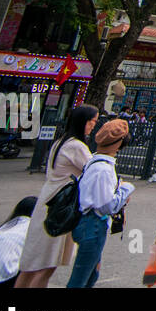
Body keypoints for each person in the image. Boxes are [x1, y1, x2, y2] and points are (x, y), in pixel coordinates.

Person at [16, 104, 98, 288]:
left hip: (49, 198)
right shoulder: (77, 146)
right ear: (82, 122)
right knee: (46, 265)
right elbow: (94, 170)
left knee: (32, 263)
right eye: (92, 121)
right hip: (61, 204)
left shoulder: (61, 142)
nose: (93, 125)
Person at [68, 119, 135, 288]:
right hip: (93, 224)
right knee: (80, 279)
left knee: (90, 275)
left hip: (86, 221)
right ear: (119, 144)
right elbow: (107, 205)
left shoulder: (94, 161)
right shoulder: (104, 169)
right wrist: (126, 189)